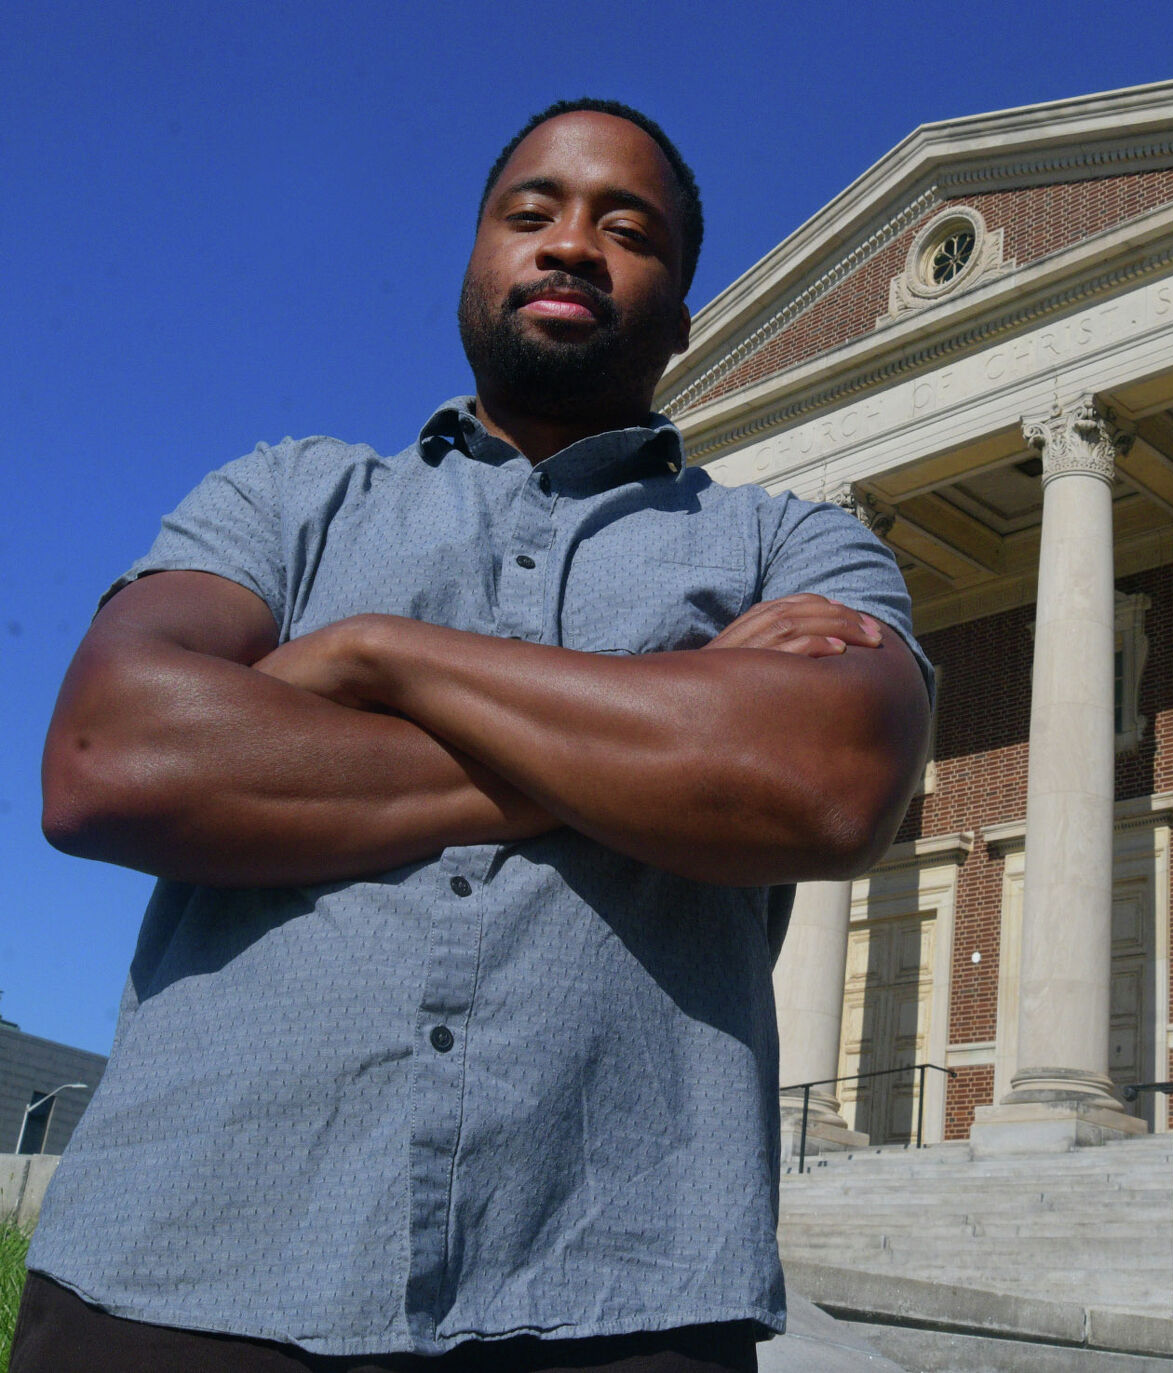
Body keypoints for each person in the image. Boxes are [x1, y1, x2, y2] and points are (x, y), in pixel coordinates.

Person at [20, 99, 932, 1373]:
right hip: (177, 1265)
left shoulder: (793, 544)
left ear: (682, 318)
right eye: (532, 212)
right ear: (472, 264)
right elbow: (107, 756)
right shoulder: (287, 494)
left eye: (630, 229)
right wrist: (660, 736)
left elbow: (828, 785)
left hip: (619, 1295)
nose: (572, 244)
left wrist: (367, 656)